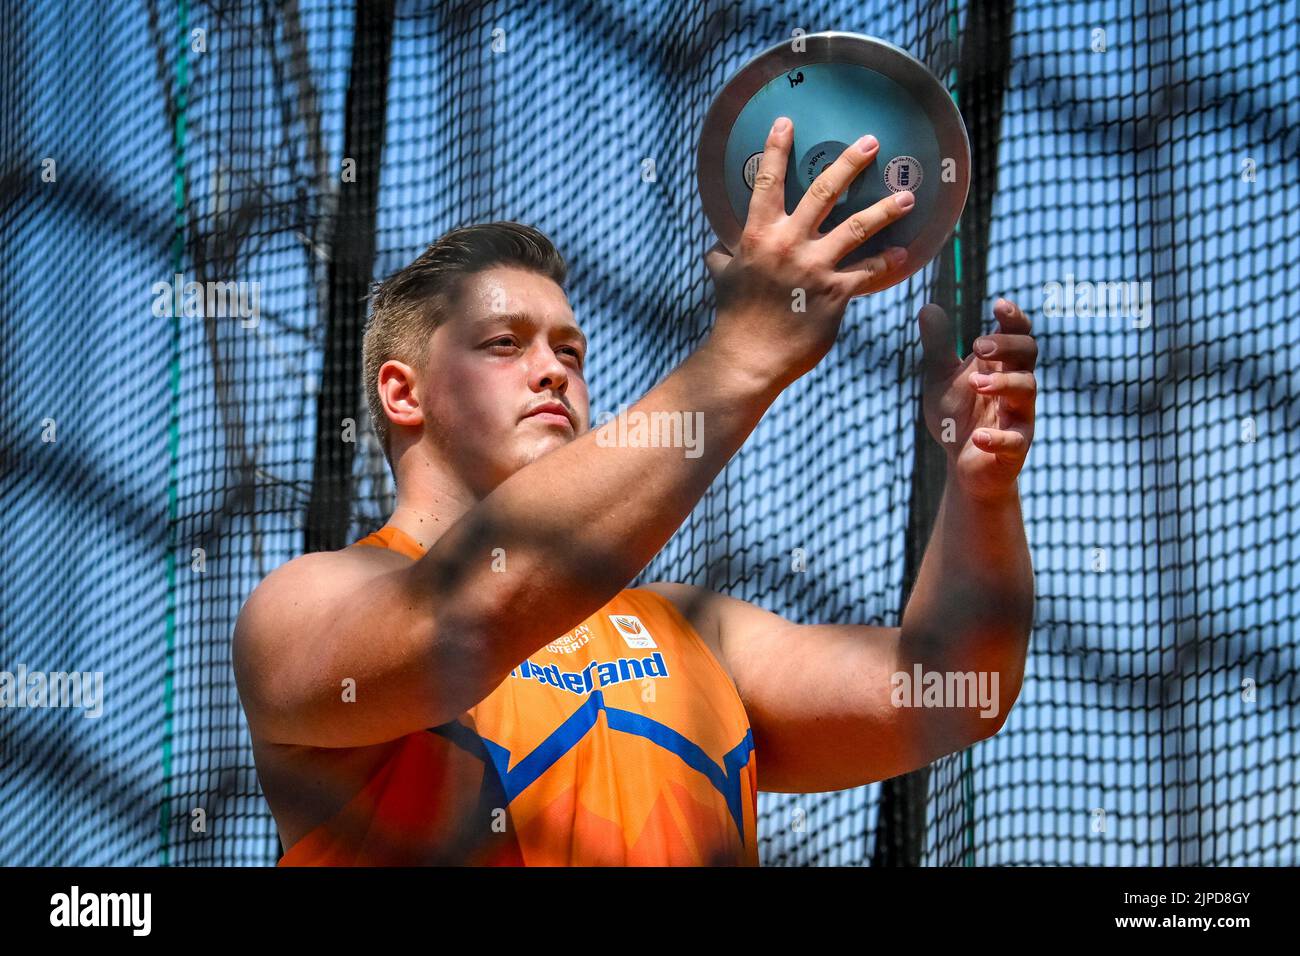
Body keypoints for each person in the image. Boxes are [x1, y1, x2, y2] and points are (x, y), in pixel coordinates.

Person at [232, 116, 1038, 865]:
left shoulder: (695, 630)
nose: (554, 369)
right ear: (403, 395)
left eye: (571, 352)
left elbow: (956, 686)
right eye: (504, 343)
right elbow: (469, 615)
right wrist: (744, 354)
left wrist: (982, 492)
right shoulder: (303, 605)